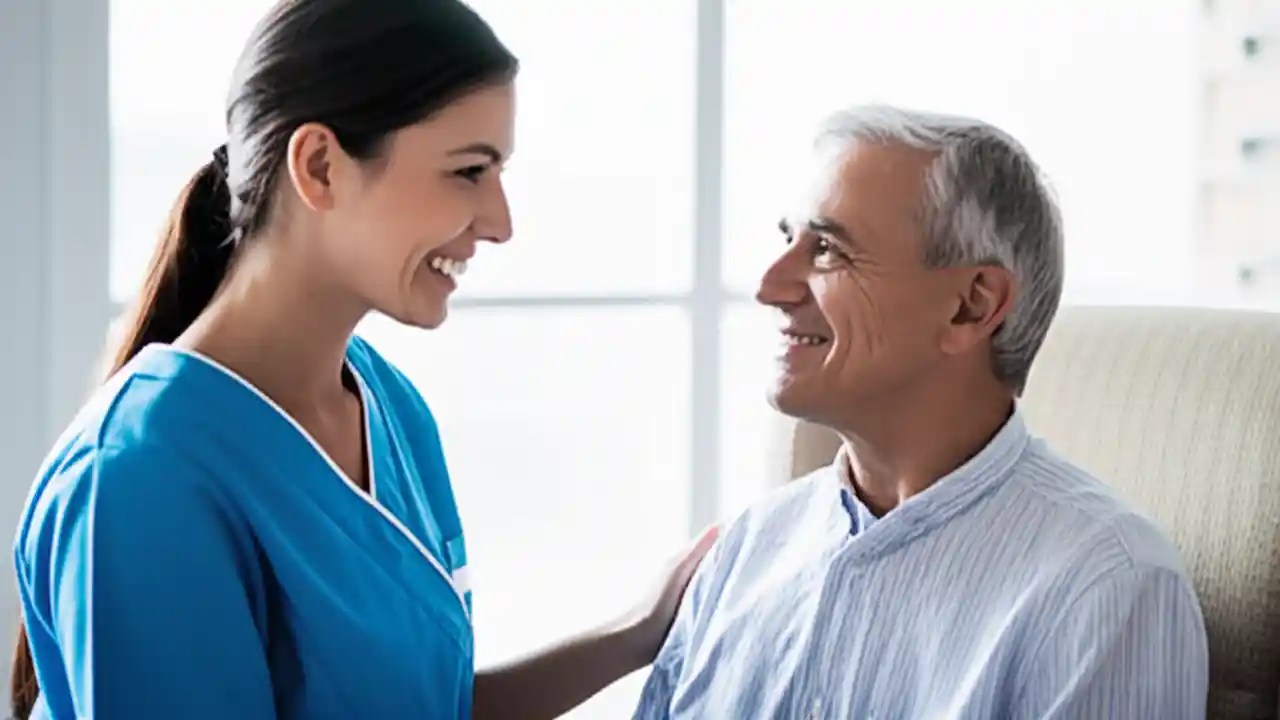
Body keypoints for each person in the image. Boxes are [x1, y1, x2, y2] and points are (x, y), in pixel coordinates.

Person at [9, 1, 717, 718]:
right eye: (470, 171)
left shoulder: (389, 406)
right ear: (320, 166)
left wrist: (636, 631)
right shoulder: (141, 480)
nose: (500, 223)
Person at [633, 105, 1209, 719]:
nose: (771, 285)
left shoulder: (1106, 589)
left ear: (971, 305)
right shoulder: (746, 550)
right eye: (788, 239)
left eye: (827, 249)